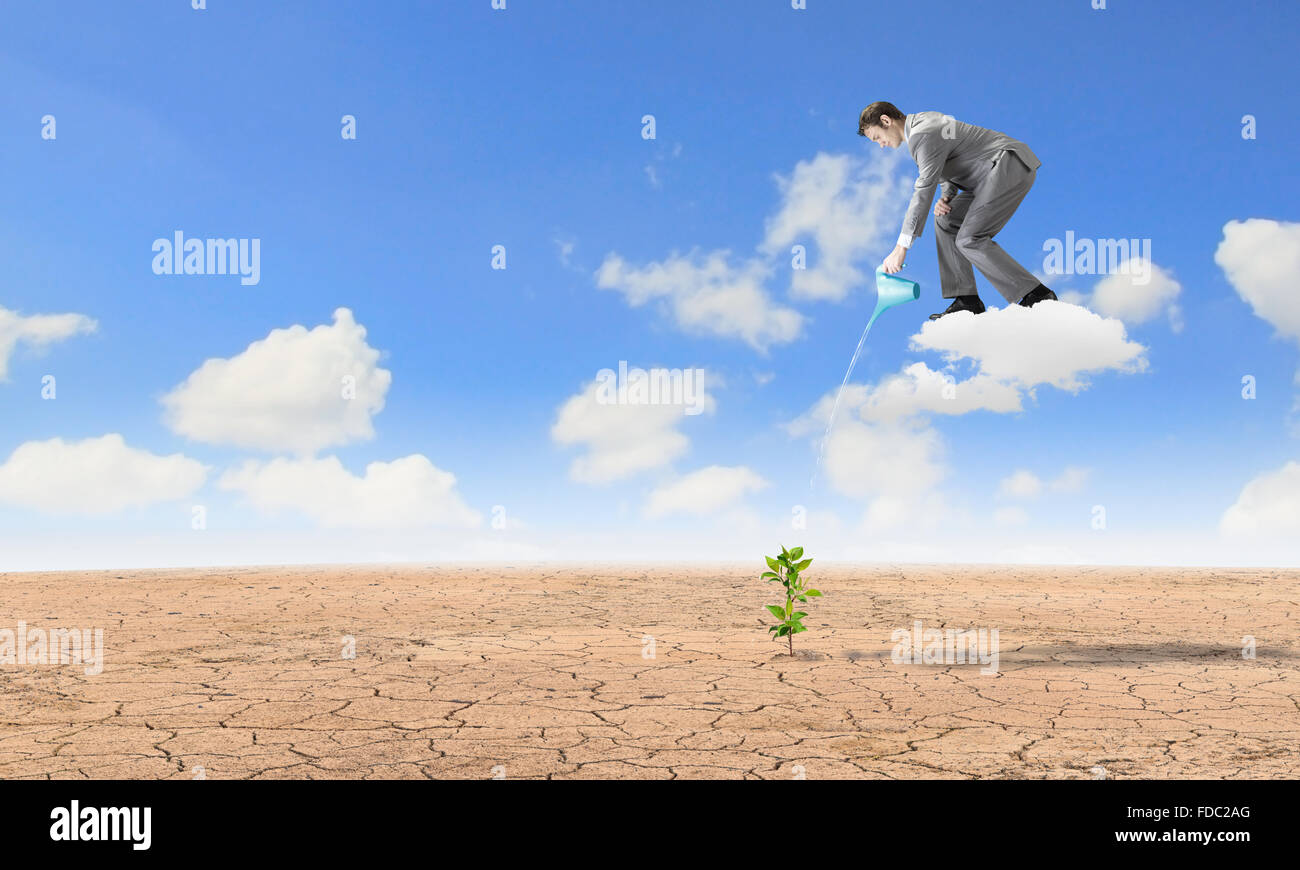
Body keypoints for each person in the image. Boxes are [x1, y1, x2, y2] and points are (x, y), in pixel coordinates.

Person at [859, 101, 1057, 320]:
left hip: (1007, 164)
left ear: (886, 121)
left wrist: (901, 247)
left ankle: (1036, 294)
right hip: (987, 176)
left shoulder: (922, 133)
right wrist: (947, 196)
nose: (880, 145)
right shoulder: (921, 126)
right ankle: (967, 300)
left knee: (969, 238)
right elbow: (950, 161)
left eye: (877, 137)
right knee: (946, 220)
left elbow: (923, 191)